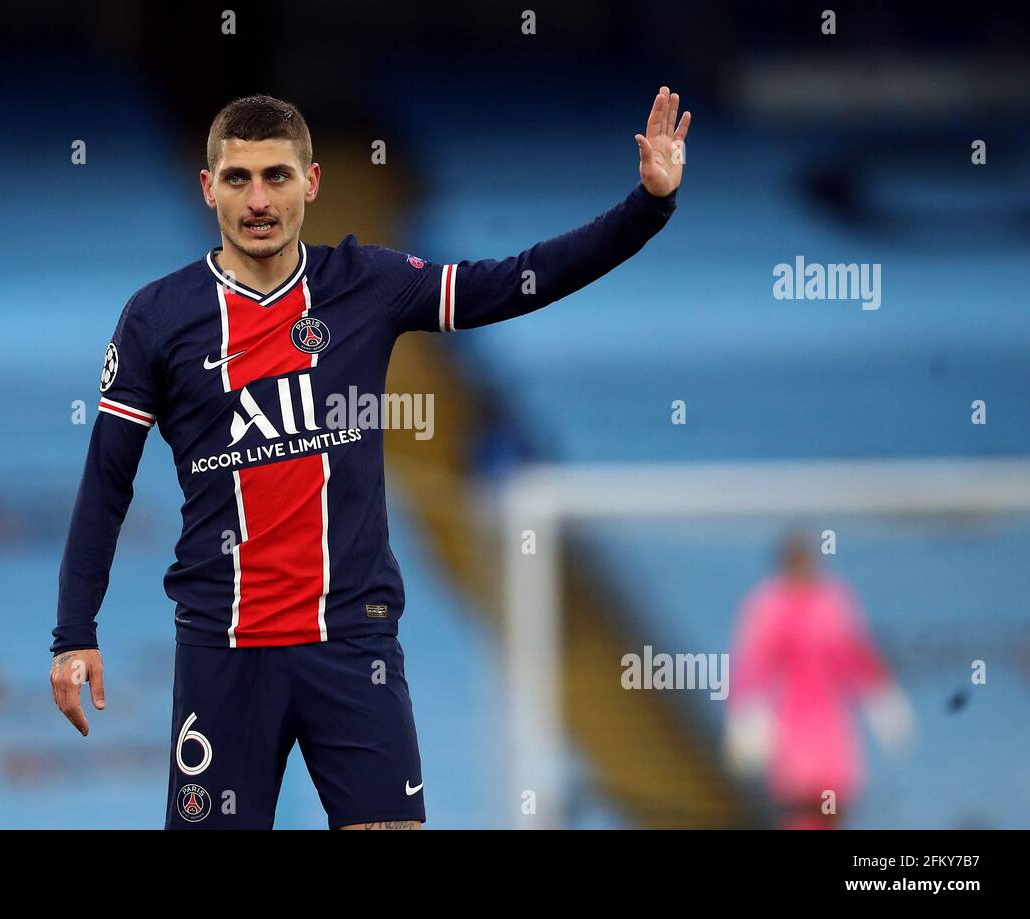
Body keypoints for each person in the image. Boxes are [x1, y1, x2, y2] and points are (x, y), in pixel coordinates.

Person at [50, 89, 690, 829]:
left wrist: (648, 206)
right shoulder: (157, 317)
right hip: (225, 650)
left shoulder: (367, 284)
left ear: (311, 182)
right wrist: (74, 633)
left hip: (355, 646)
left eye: (278, 176)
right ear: (208, 188)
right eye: (238, 178)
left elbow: (516, 280)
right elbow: (105, 484)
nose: (259, 199)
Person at [725, 535, 914, 829]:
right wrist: (748, 716)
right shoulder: (767, 606)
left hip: (830, 728)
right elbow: (752, 665)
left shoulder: (833, 601)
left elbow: (855, 654)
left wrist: (881, 699)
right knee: (797, 807)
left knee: (832, 804)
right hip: (789, 726)